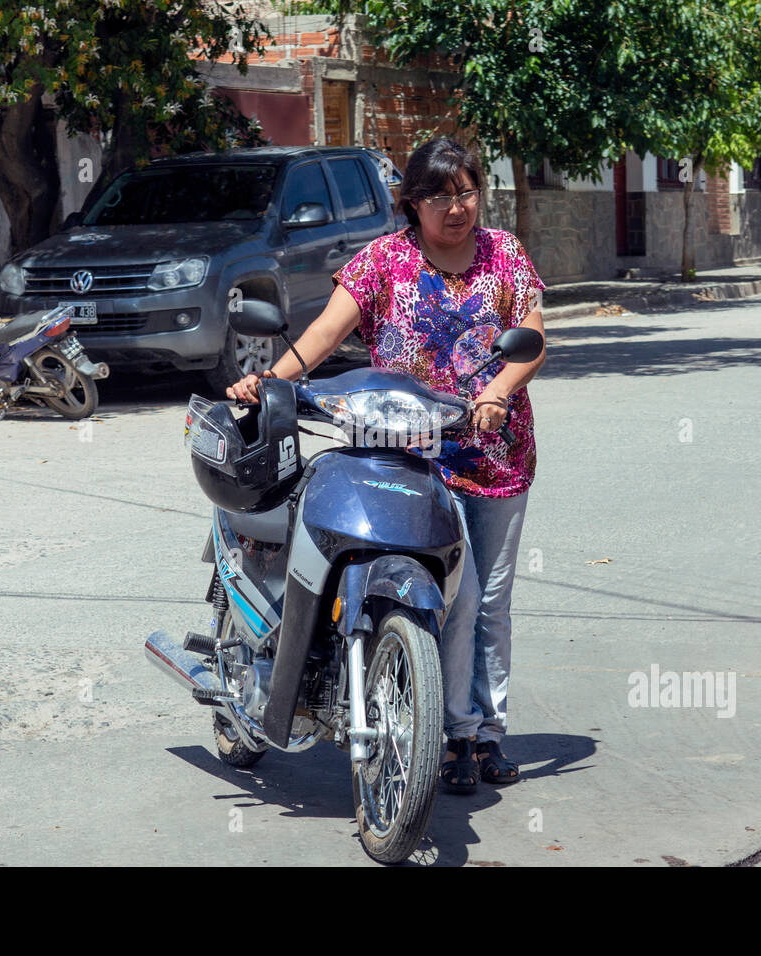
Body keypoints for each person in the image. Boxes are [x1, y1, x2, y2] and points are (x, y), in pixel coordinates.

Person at [226, 136, 547, 793]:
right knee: (444, 605)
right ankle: (448, 732)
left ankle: (485, 735)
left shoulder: (505, 254)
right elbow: (322, 334)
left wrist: (496, 392)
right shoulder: (385, 260)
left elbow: (532, 339)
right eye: (439, 196)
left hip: (494, 456)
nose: (457, 207)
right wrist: (271, 382)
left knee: (487, 601)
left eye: (466, 191)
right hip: (407, 459)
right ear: (412, 203)